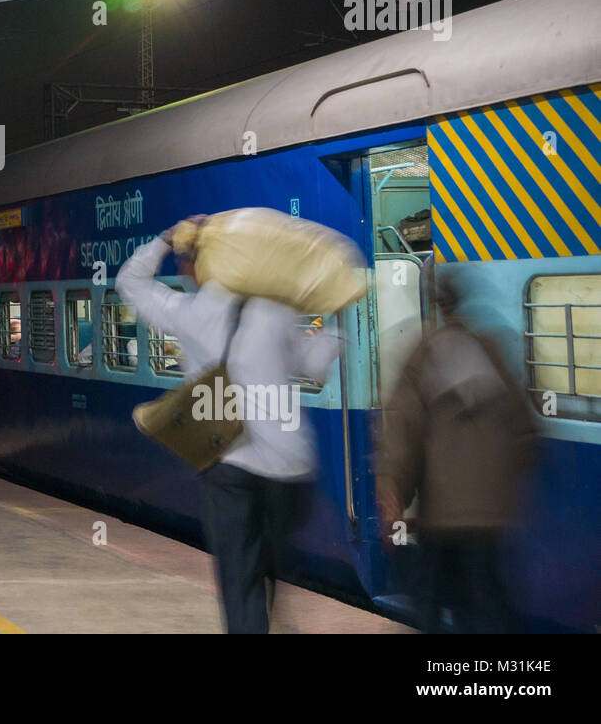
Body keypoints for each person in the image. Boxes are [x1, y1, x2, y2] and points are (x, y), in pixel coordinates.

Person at [115, 220, 339, 633]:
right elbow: (317, 365)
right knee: (269, 565)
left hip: (229, 462)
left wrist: (163, 240)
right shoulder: (275, 309)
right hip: (289, 468)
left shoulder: (189, 312)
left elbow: (129, 282)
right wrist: (333, 328)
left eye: (186, 262)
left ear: (196, 265)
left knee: (240, 574)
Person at [377, 274, 538, 633]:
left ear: (436, 305)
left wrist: (394, 501)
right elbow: (525, 431)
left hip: (443, 515)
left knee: (429, 596)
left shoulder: (423, 356)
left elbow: (403, 436)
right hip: (490, 514)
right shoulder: (491, 351)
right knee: (484, 596)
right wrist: (504, 485)